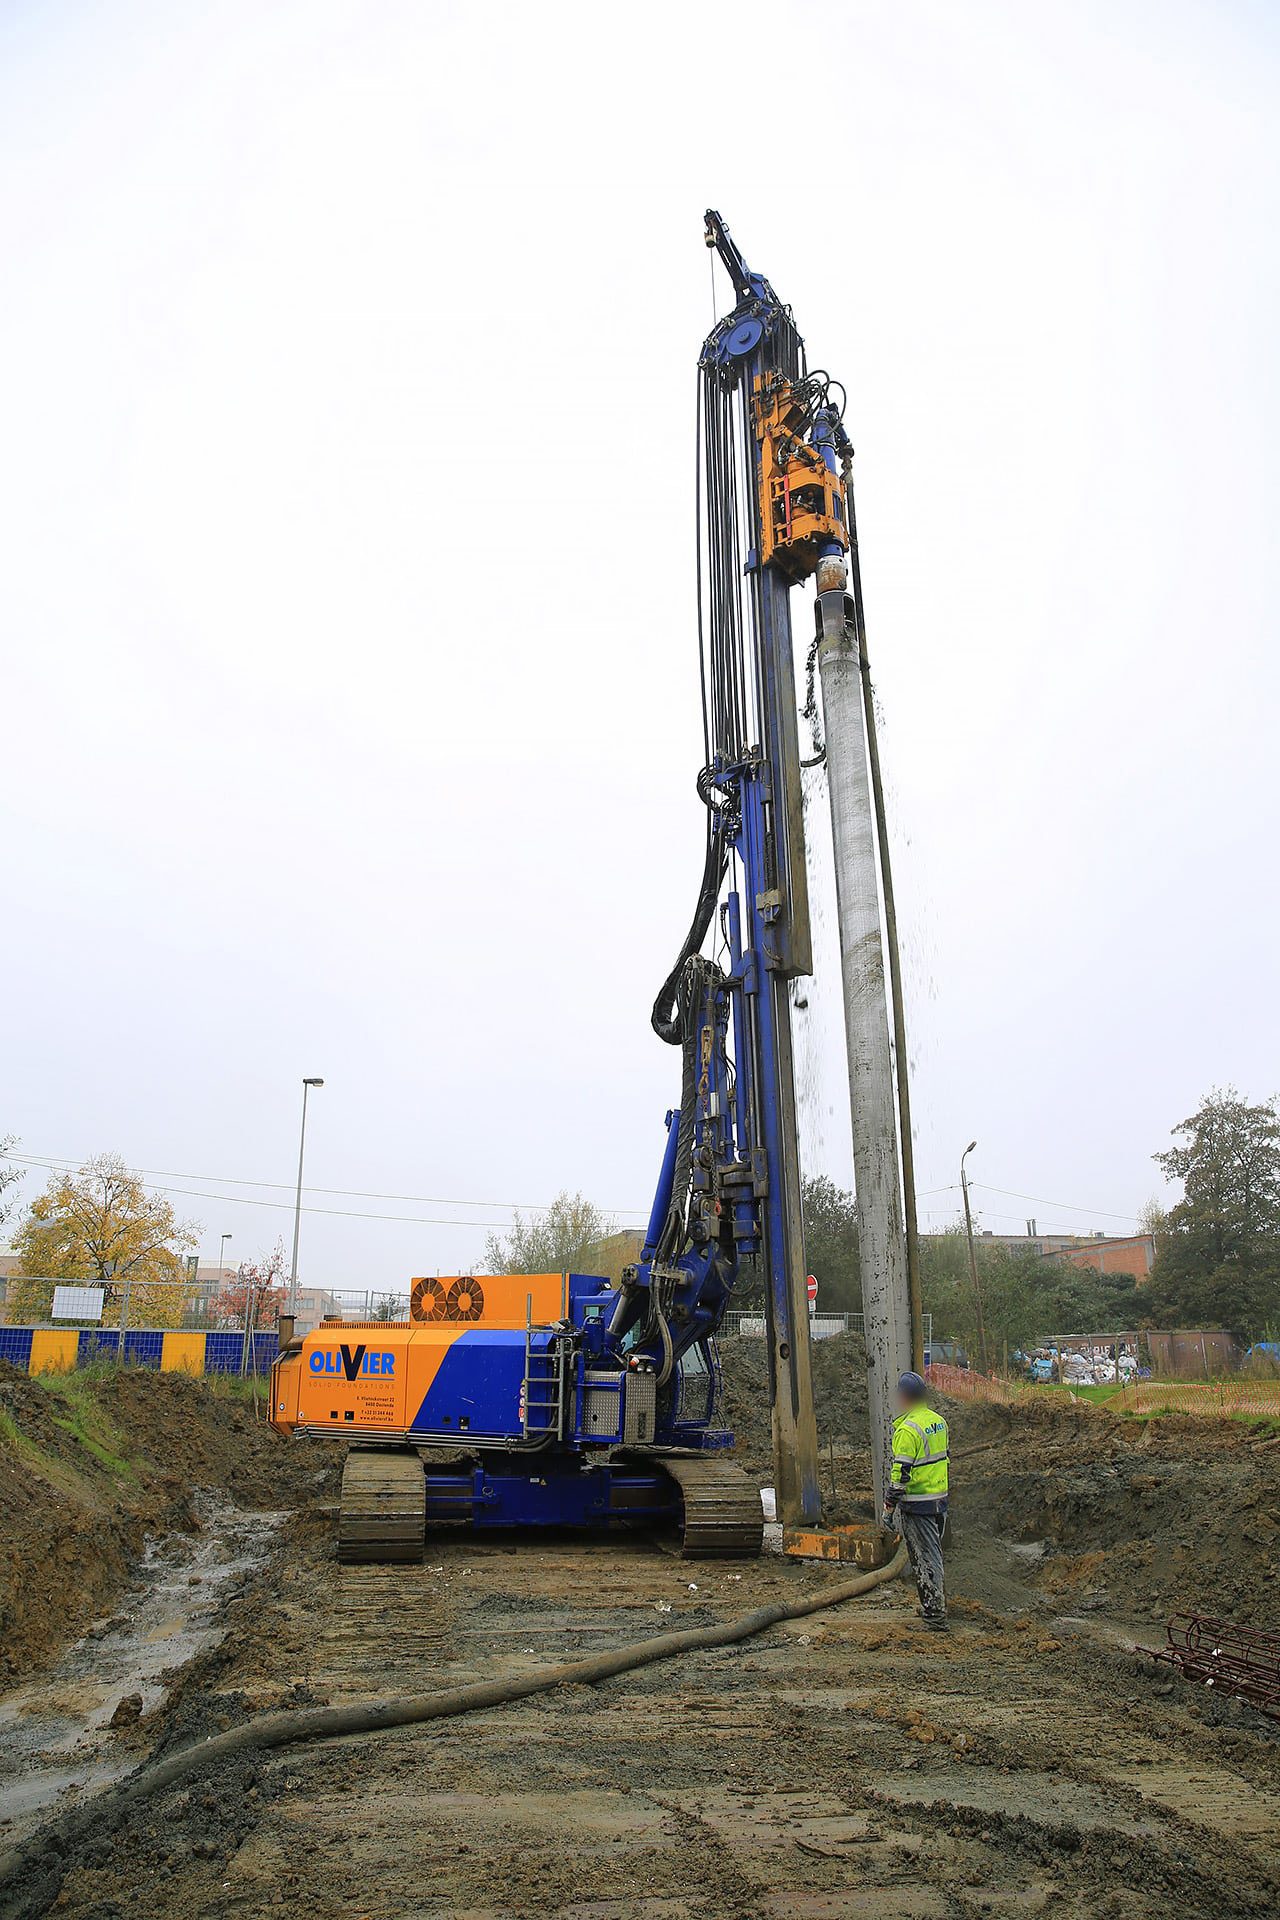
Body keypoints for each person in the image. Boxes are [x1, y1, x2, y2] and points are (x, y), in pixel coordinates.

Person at [881, 1370, 949, 1631]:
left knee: (924, 1558)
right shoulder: (938, 1421)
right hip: (939, 1500)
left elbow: (900, 1474)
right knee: (934, 1554)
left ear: (904, 1397)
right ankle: (934, 1605)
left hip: (918, 1502)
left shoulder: (907, 1430)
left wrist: (889, 1507)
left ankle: (934, 1616)